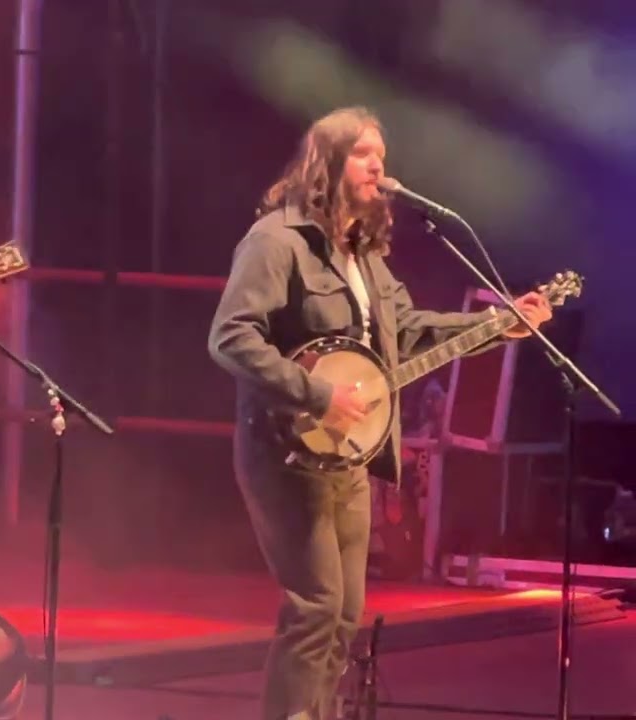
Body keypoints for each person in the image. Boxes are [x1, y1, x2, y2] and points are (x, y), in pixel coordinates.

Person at [207, 106, 552, 720]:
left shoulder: (362, 256)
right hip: (284, 453)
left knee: (344, 615)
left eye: (382, 158)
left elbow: (410, 329)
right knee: (314, 608)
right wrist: (319, 395)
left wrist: (498, 326)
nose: (379, 168)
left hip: (347, 458)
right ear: (328, 163)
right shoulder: (276, 241)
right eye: (364, 155)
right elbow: (231, 337)